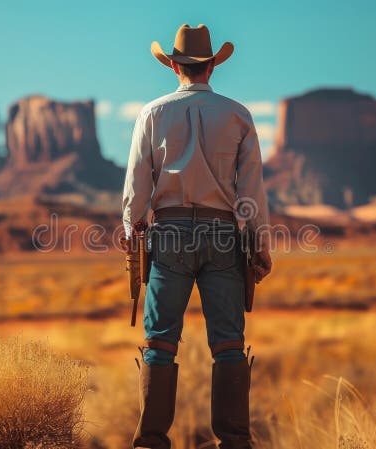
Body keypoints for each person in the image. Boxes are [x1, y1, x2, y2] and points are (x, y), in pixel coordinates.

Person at [122, 24, 272, 449]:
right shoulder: (238, 115)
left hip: (167, 234)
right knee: (228, 343)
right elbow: (252, 191)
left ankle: (151, 441)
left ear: (174, 65)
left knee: (160, 343)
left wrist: (132, 228)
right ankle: (234, 442)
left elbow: (137, 183)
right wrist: (259, 244)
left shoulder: (152, 113)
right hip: (224, 233)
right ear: (211, 66)